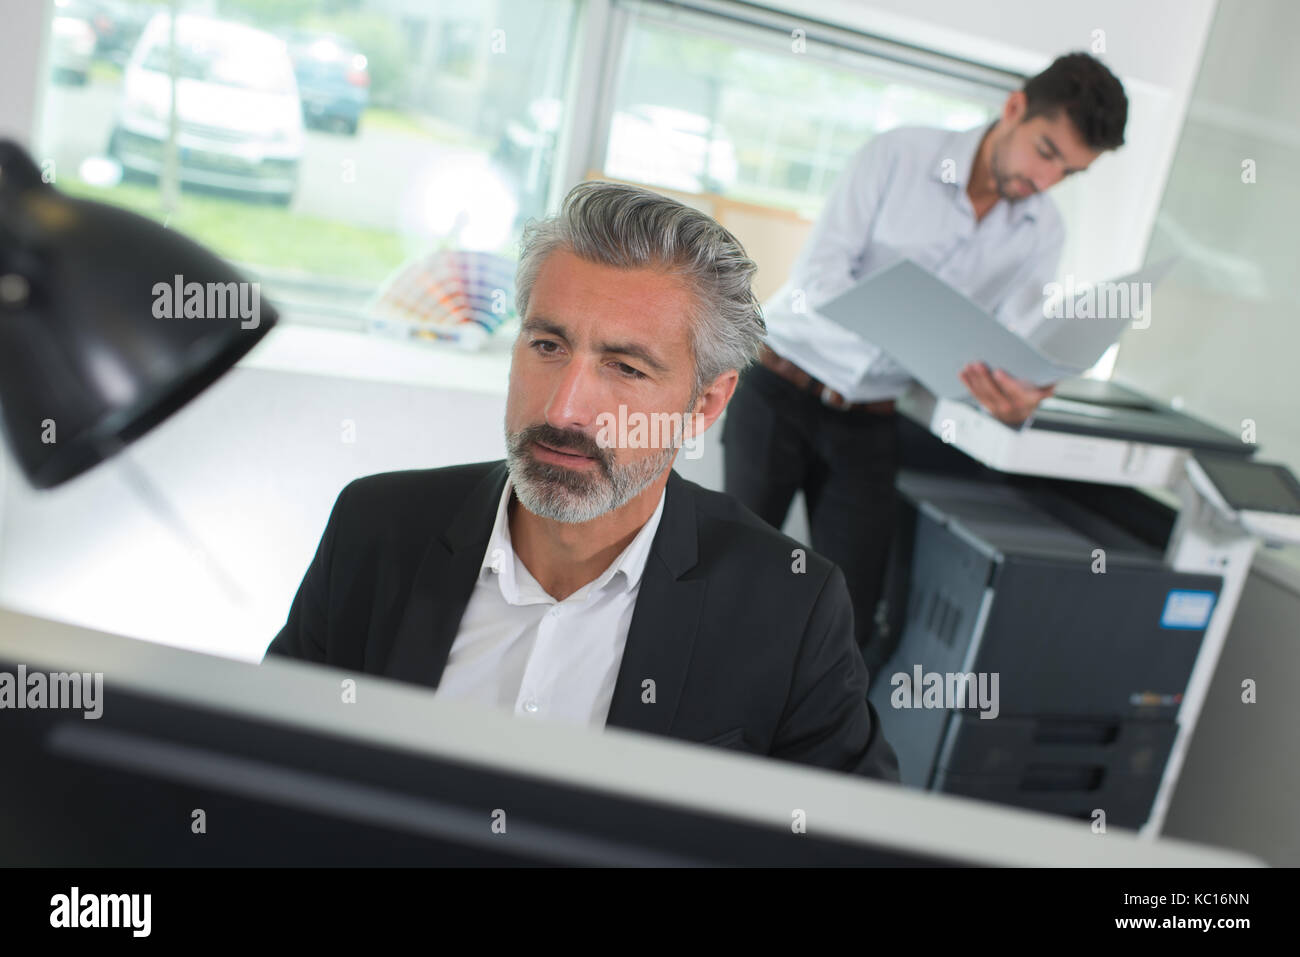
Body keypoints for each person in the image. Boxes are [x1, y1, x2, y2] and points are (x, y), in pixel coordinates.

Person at [266, 181, 899, 782]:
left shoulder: (791, 608)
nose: (564, 409)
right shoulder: (374, 527)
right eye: (547, 345)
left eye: (625, 368)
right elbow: (268, 763)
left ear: (704, 405)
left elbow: (851, 837)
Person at [721, 52, 1128, 671]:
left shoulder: (1042, 231)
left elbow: (1011, 340)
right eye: (1046, 152)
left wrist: (1015, 390)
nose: (1046, 180)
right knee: (734, 584)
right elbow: (819, 279)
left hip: (871, 419)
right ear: (1014, 107)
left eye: (1068, 172)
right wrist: (922, 334)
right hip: (781, 388)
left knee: (850, 620)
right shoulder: (900, 155)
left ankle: (797, 734)